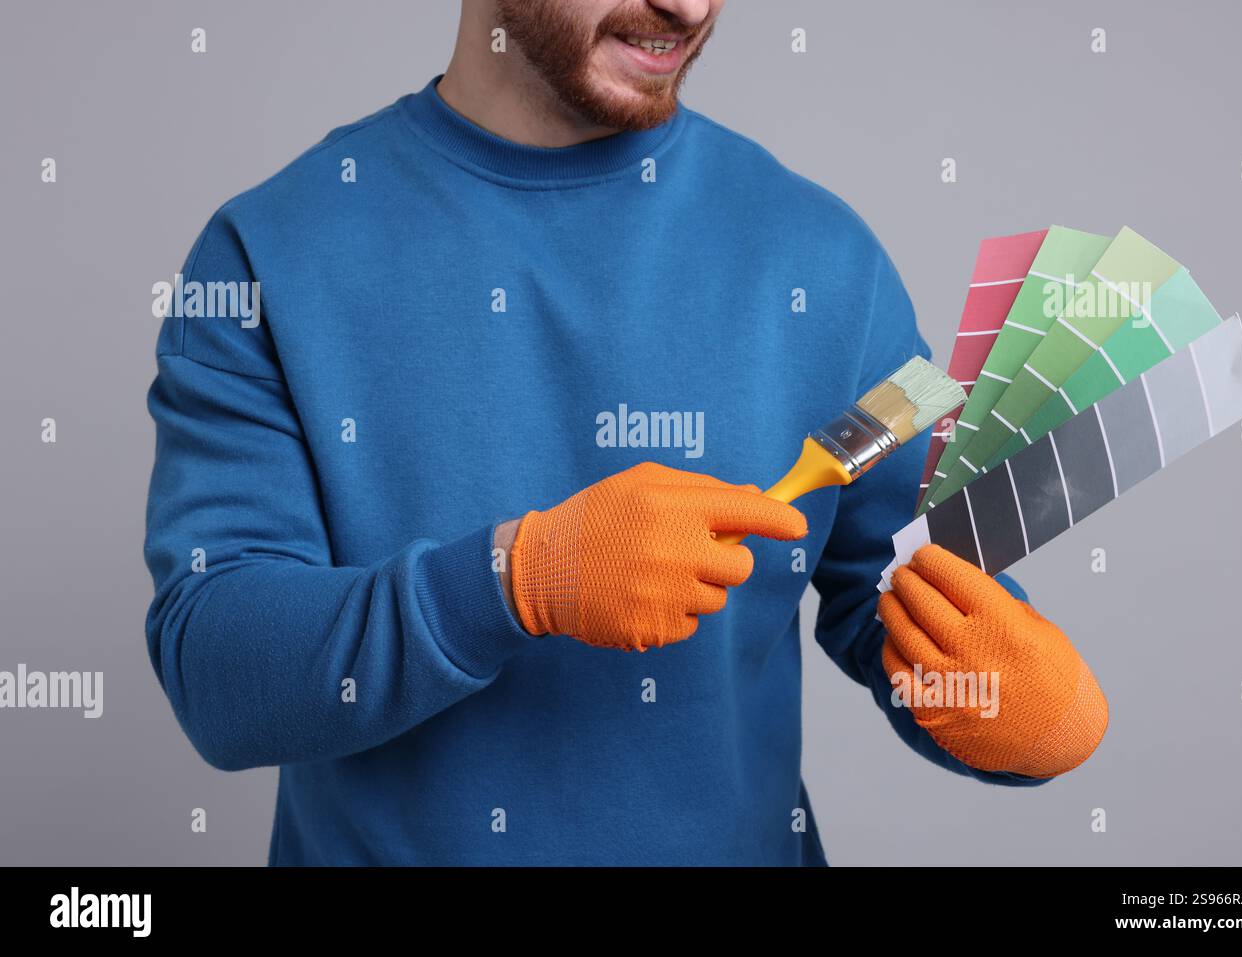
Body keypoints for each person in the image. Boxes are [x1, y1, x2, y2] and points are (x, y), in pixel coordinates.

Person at [143, 0, 1107, 866]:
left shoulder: (824, 258)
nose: (684, 8)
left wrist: (1022, 717)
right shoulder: (268, 253)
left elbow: (899, 606)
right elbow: (219, 673)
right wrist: (519, 579)